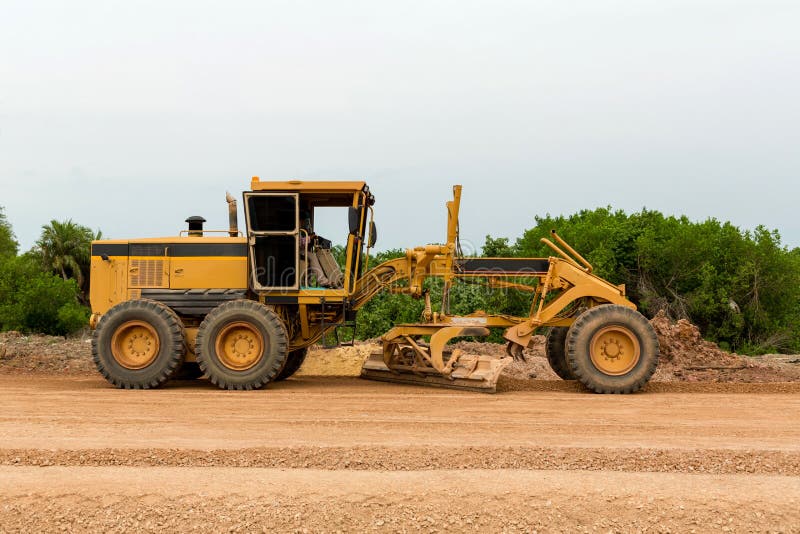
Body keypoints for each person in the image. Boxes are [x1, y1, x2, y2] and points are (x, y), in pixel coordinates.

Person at [299, 211, 331, 287]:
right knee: (312, 256)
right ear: (300, 220)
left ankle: (308, 283)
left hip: (302, 251)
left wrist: (311, 236)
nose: (307, 223)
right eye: (306, 221)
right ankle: (323, 281)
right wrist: (310, 237)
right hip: (297, 251)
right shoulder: (297, 229)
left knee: (314, 256)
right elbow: (299, 242)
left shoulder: (303, 230)